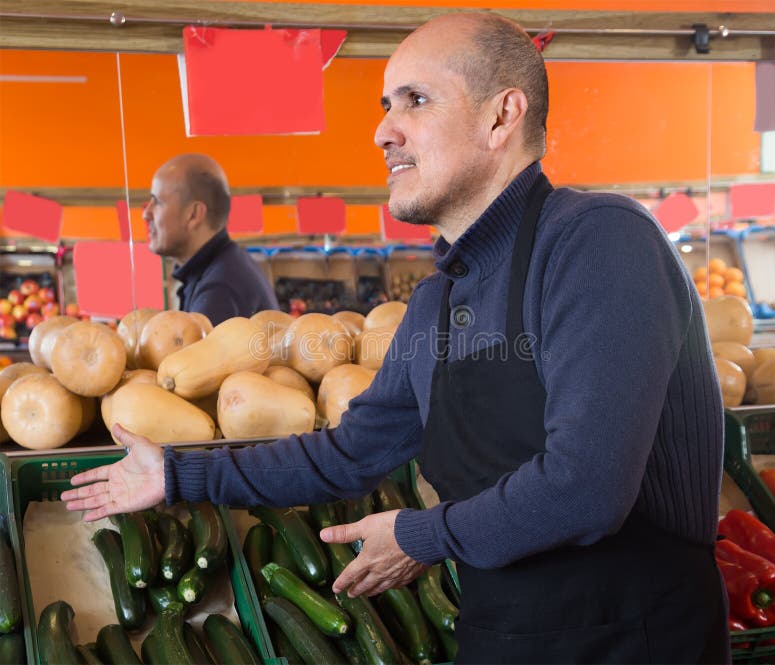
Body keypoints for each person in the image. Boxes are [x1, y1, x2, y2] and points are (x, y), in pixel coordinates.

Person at [63, 13, 728, 663]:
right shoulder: (436, 301)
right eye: (386, 105)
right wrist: (179, 472)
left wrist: (421, 533)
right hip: (500, 637)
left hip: (636, 637)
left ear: (502, 117)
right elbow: (350, 451)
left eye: (415, 100)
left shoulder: (598, 241)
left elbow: (588, 486)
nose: (383, 130)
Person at [143, 153, 279, 325]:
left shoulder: (221, 289)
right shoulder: (224, 269)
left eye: (157, 202)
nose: (146, 213)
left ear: (193, 215)